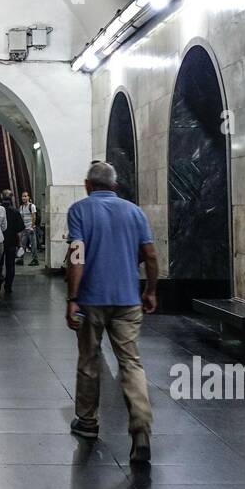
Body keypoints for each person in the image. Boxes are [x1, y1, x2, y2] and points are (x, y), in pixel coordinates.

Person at [65, 160, 157, 466]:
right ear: (115, 186)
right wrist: (151, 290)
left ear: (88, 185)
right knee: (131, 362)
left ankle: (88, 422)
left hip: (92, 299)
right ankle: (141, 428)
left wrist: (73, 297)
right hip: (128, 299)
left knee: (90, 360)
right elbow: (151, 254)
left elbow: (77, 256)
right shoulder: (134, 211)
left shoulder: (79, 210)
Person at [0, 191, 24, 297]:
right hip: (12, 242)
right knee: (10, 266)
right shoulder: (15, 212)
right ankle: (8, 286)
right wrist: (19, 244)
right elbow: (19, 230)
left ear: (1, 197)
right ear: (12, 198)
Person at [19, 191, 40, 266]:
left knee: (33, 245)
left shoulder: (32, 206)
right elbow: (21, 218)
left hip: (31, 229)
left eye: (25, 196)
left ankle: (35, 260)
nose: (24, 198)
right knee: (22, 244)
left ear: (28, 197)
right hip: (24, 229)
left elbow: (34, 216)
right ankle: (21, 259)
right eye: (23, 196)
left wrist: (32, 227)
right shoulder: (21, 207)